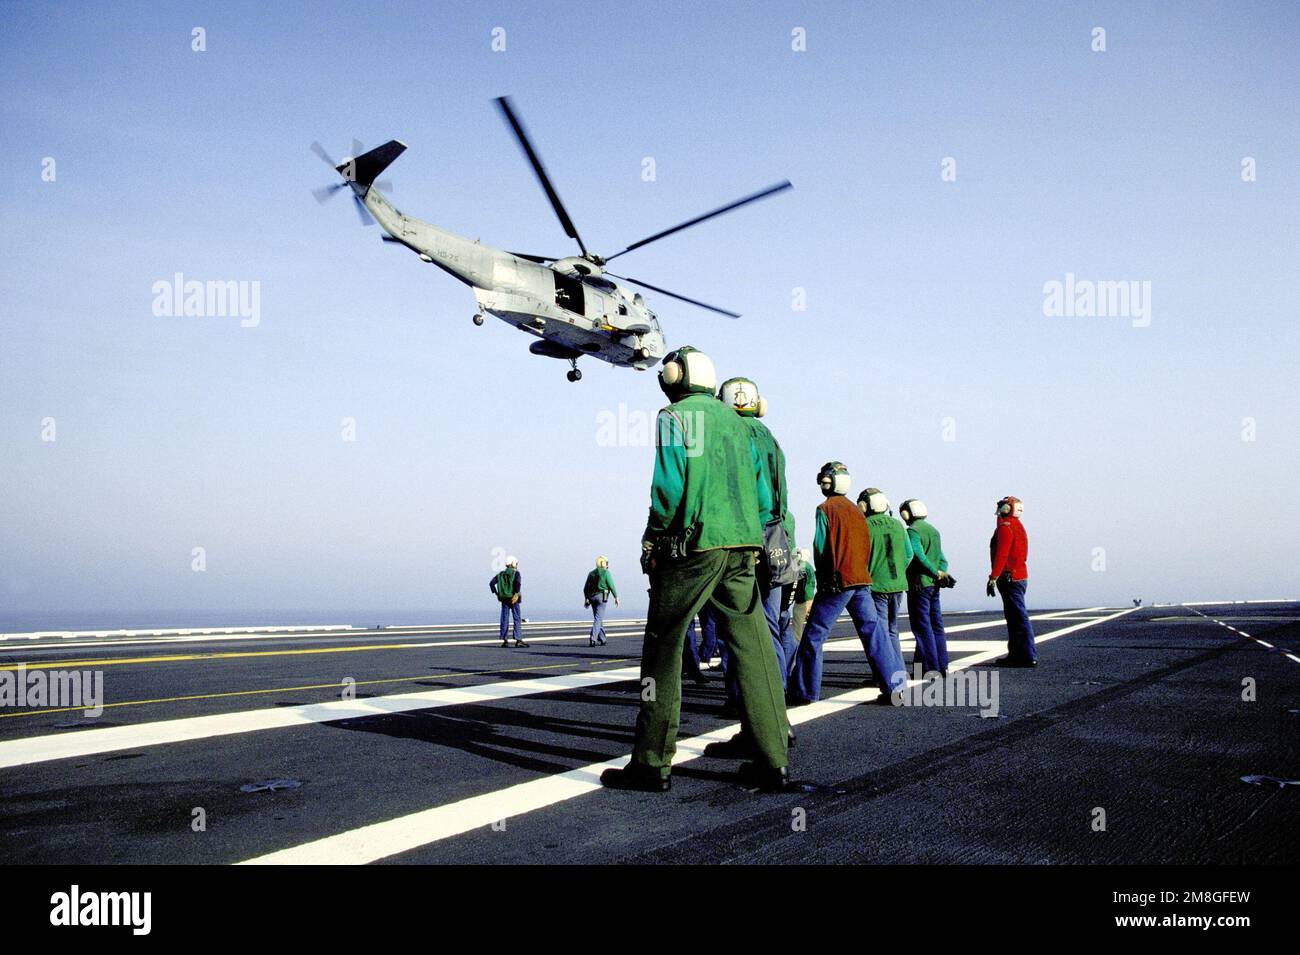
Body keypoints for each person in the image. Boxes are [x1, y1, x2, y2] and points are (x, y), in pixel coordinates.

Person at [601, 346, 791, 793]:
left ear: (674, 375)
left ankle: (651, 763)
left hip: (694, 547)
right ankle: (774, 760)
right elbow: (764, 497)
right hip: (744, 545)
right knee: (754, 649)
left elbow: (668, 491)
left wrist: (653, 538)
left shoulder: (675, 417)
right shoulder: (741, 426)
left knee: (663, 647)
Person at [788, 462, 906, 705]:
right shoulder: (857, 512)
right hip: (861, 581)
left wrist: (824, 579)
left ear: (828, 481)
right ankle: (895, 687)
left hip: (837, 583)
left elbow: (820, 548)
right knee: (874, 633)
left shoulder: (825, 508)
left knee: (813, 636)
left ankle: (804, 692)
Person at [717, 377, 798, 687]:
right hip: (779, 537)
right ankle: (776, 695)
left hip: (744, 537)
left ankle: (740, 695)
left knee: (734, 625)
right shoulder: (772, 439)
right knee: (771, 624)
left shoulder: (730, 436)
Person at [858, 488, 911, 668]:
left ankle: (886, 674)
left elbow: (861, 558)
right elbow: (909, 555)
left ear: (864, 506)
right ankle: (899, 670)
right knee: (892, 631)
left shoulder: (864, 526)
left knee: (880, 632)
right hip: (898, 585)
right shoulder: (898, 525)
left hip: (877, 586)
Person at [900, 499, 952, 676]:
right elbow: (943, 559)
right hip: (934, 585)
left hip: (919, 584)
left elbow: (917, 556)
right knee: (936, 624)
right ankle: (940, 665)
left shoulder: (912, 531)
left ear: (907, 514)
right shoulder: (934, 531)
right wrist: (940, 573)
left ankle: (930, 668)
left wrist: (932, 572)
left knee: (922, 627)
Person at [988, 495, 1037, 667]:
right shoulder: (1018, 526)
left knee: (1017, 618)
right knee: (1017, 617)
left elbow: (1002, 553)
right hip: (1019, 576)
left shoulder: (1005, 527)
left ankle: (1025, 655)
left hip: (1009, 578)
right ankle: (1018, 653)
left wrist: (993, 576)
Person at [490, 556, 527, 648]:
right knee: (517, 618)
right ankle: (518, 640)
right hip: (514, 599)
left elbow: (491, 583)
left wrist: (497, 594)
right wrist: (516, 594)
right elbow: (518, 584)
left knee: (504, 618)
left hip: (504, 599)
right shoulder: (516, 573)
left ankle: (505, 640)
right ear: (513, 563)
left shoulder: (501, 574)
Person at [583, 556, 619, 647]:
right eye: (606, 563)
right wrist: (616, 597)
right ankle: (593, 639)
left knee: (598, 617)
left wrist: (586, 599)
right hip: (601, 597)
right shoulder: (606, 572)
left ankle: (602, 639)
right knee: (598, 618)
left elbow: (585, 588)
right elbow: (611, 585)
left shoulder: (591, 573)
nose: (607, 565)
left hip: (591, 597)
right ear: (603, 563)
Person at [791, 548, 815, 645]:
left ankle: (797, 646)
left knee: (797, 625)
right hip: (810, 597)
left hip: (802, 599)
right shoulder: (809, 567)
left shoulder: (803, 566)